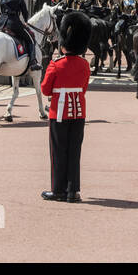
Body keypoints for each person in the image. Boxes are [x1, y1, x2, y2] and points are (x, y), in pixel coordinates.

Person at [41, 14, 92, 203]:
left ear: (63, 44)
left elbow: (46, 89)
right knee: (74, 151)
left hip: (59, 112)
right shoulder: (85, 64)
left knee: (58, 150)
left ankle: (58, 190)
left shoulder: (56, 65)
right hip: (79, 112)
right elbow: (84, 89)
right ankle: (73, 191)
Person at [0, 0, 39, 71]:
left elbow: (0, 12)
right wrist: (26, 21)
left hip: (0, 24)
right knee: (31, 39)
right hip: (14, 24)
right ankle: (33, 61)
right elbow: (25, 12)